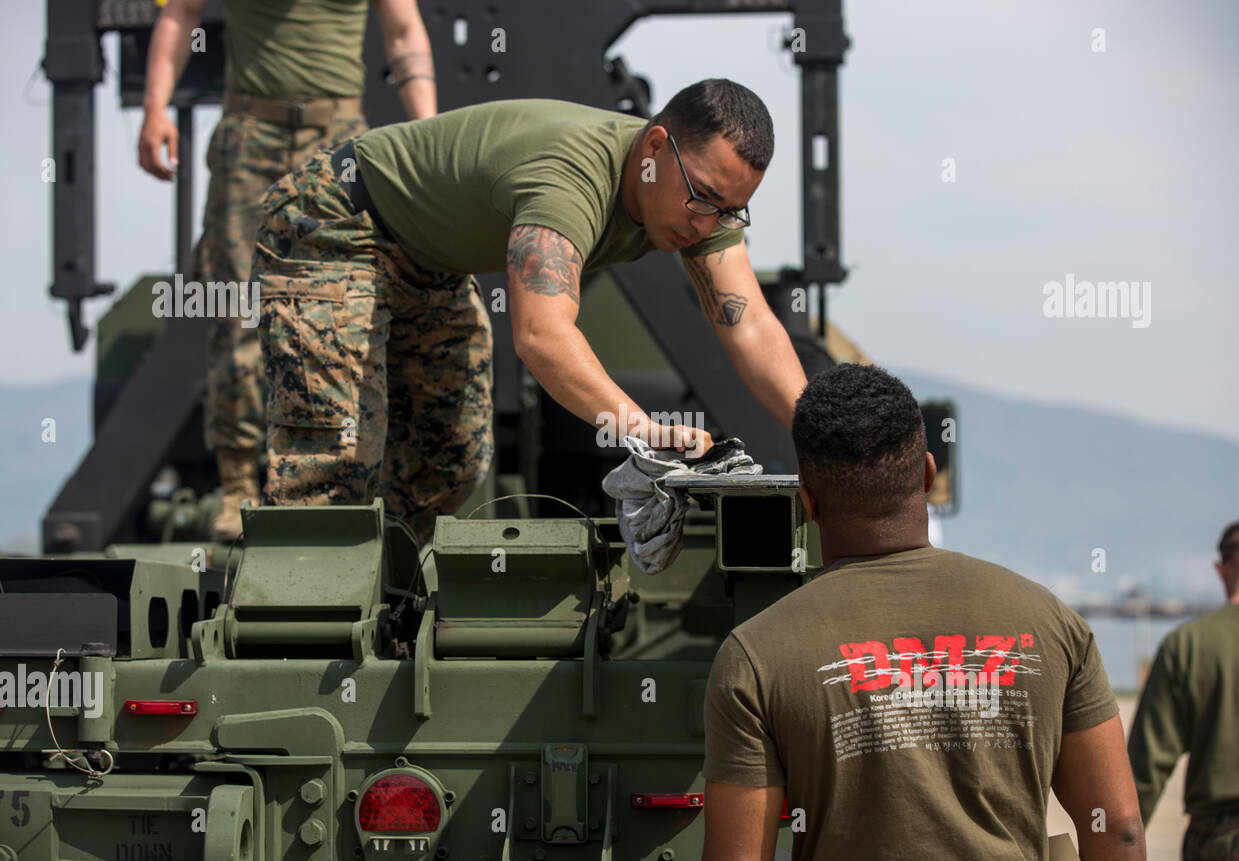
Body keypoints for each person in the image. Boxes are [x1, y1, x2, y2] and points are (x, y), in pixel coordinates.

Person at [251, 78, 809, 545]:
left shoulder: (694, 202)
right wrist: (643, 432)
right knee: (335, 459)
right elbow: (542, 335)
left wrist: (819, 439)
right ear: (655, 147)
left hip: (428, 261)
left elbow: (750, 324)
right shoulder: (567, 178)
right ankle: (292, 634)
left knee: (450, 458)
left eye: (730, 211)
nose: (706, 224)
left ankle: (374, 591)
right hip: (335, 223)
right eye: (703, 198)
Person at [701, 363, 1145, 861]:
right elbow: (1119, 827)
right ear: (930, 475)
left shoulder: (756, 654)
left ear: (806, 499)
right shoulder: (1052, 622)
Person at [137, 0, 437, 540]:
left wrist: (429, 132)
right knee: (237, 312)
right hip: (250, 134)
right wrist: (155, 107)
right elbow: (180, 14)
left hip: (338, 137)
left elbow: (403, 32)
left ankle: (331, 482)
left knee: (344, 310)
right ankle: (237, 488)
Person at [1128, 517, 1239, 861]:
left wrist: (1113, 848)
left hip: (1215, 842)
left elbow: (1143, 771)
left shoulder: (1185, 645)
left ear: (1221, 570)